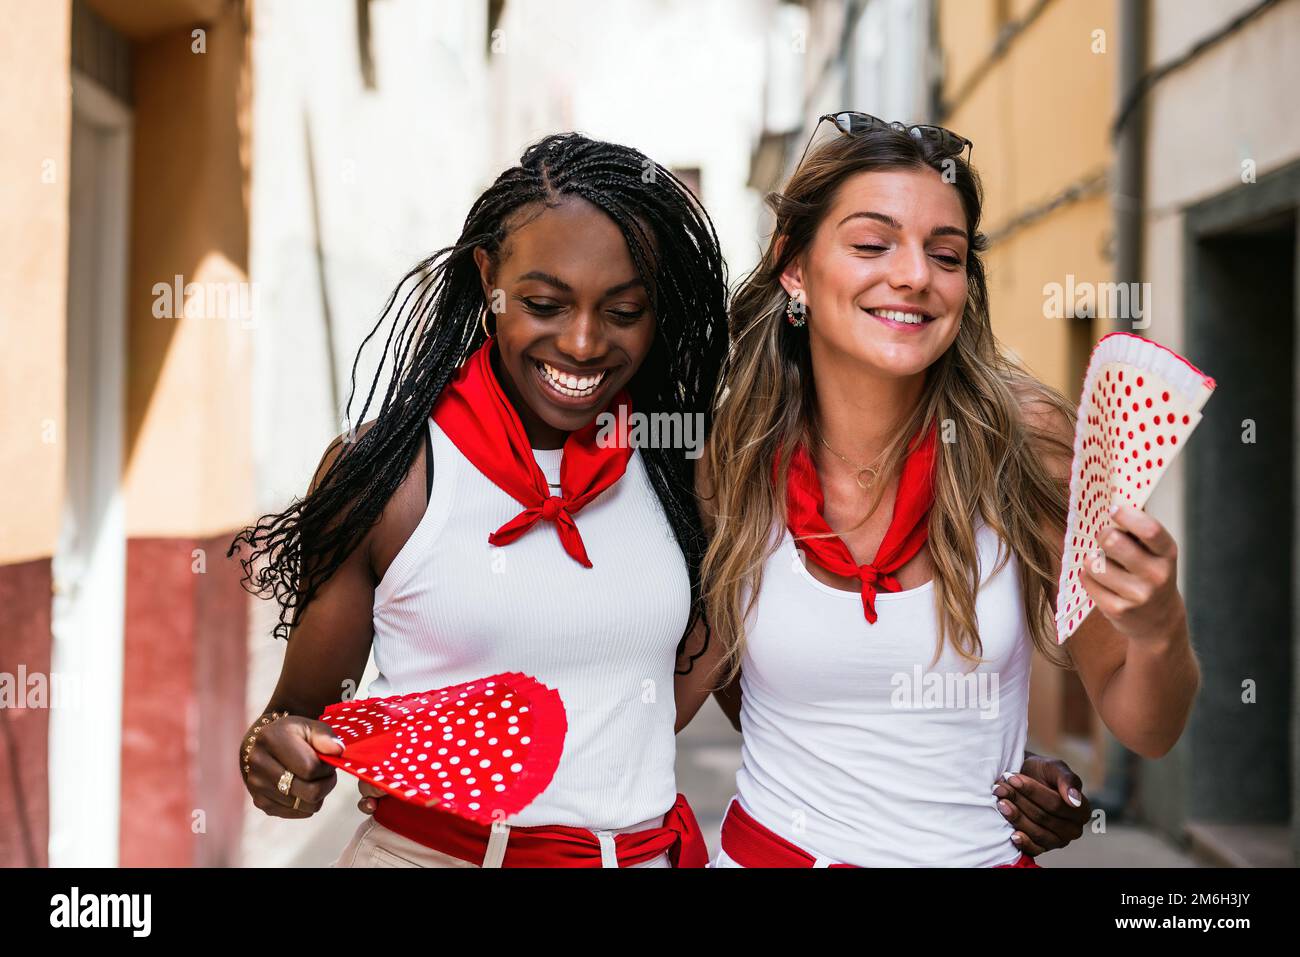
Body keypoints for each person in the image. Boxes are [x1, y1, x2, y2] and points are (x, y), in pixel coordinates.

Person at [683, 112, 1199, 867]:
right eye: (871, 243)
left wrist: (1159, 628)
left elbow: (1146, 724)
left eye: (946, 254)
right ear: (794, 266)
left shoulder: (1031, 443)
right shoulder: (734, 456)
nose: (915, 275)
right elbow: (728, 689)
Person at [232, 132, 729, 867]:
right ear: (488, 274)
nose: (584, 343)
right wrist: (276, 760)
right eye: (544, 303)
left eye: (624, 311)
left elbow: (654, 701)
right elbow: (294, 719)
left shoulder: (685, 468)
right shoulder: (389, 474)